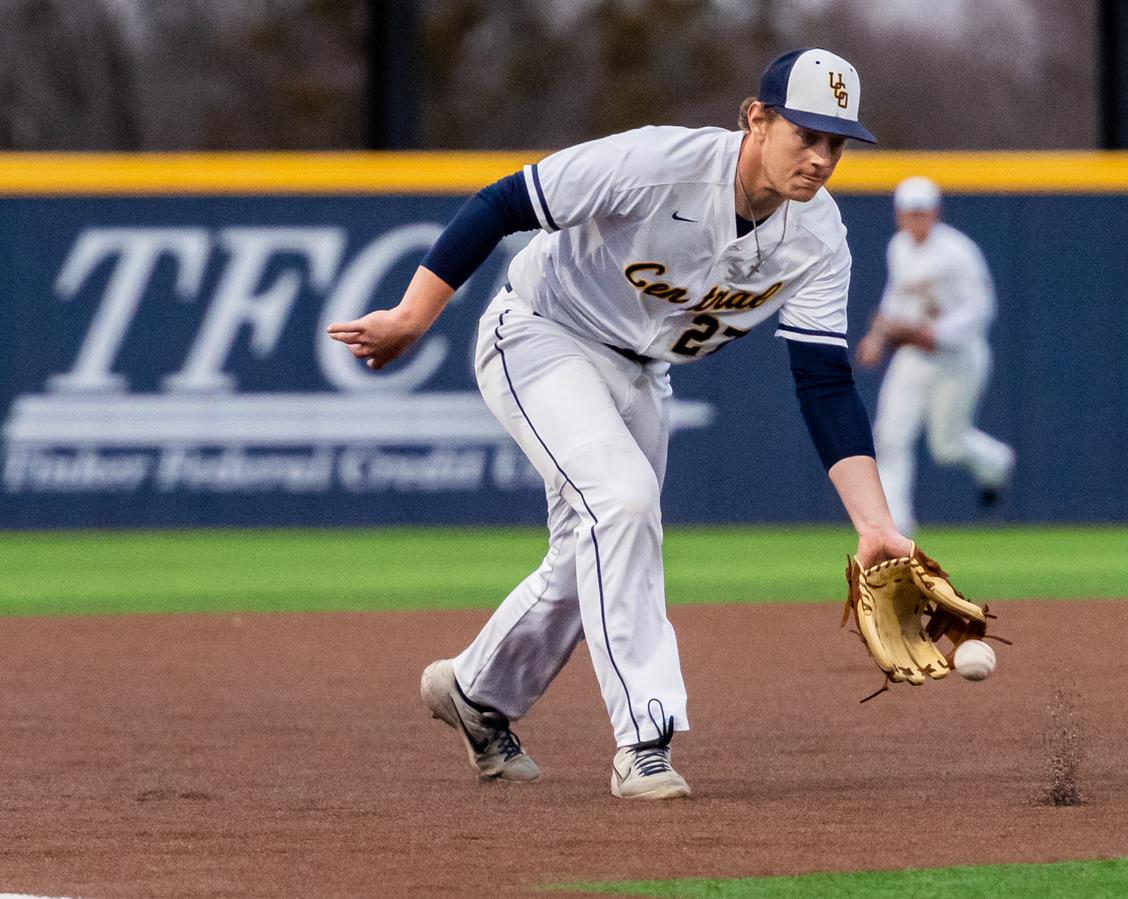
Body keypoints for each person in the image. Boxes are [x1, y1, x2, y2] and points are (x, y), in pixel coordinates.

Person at [327, 49, 910, 801]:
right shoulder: (657, 163)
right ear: (755, 119)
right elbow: (506, 200)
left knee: (592, 556)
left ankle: (474, 693)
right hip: (539, 333)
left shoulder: (818, 237)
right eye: (807, 134)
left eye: (838, 143)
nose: (823, 157)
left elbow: (824, 379)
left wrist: (874, 523)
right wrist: (413, 315)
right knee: (625, 502)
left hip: (641, 372)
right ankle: (645, 738)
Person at [854, 177, 1016, 536]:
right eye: (909, 214)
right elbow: (894, 301)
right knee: (890, 435)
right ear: (899, 215)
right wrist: (877, 338)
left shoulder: (957, 251)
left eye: (922, 213)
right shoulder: (898, 247)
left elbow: (981, 308)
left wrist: (935, 333)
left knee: (947, 445)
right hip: (913, 356)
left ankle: (996, 463)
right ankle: (897, 525)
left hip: (957, 357)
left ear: (935, 213)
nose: (915, 220)